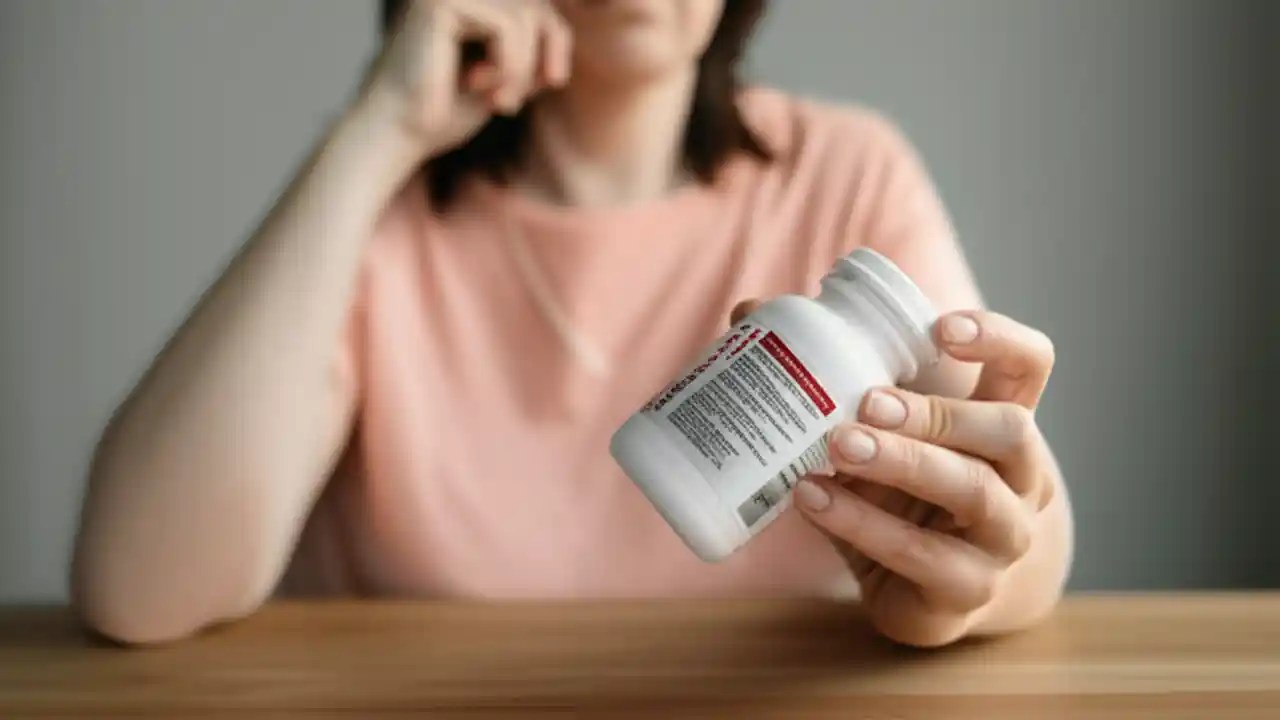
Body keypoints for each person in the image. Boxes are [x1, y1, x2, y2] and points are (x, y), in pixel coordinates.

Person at [71, 0, 1072, 647]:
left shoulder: (841, 171)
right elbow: (137, 590)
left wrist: (972, 581)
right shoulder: (380, 215)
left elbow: (1009, 513)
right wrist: (380, 126)